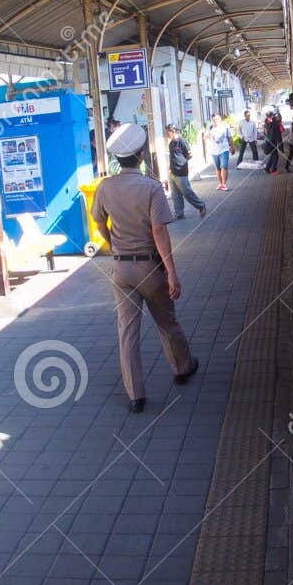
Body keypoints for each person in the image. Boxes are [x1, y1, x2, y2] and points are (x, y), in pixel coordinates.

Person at [91, 123, 199, 414]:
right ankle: (183, 367)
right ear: (141, 156)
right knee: (166, 322)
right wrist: (172, 272)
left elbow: (99, 222)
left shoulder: (104, 187)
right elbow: (159, 231)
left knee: (127, 331)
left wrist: (113, 243)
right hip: (150, 267)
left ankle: (135, 395)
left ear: (118, 158)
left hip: (121, 269)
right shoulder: (151, 188)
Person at [164, 124, 206, 219]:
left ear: (173, 131)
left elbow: (189, 155)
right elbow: (172, 157)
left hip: (181, 172)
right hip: (172, 172)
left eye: (168, 132)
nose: (167, 134)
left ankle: (201, 205)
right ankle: (179, 213)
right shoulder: (171, 143)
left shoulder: (182, 141)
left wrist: (182, 162)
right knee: (175, 195)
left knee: (187, 192)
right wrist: (170, 168)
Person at [207, 113, 232, 191]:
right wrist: (209, 135)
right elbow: (205, 137)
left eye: (217, 119)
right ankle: (220, 184)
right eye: (214, 119)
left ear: (220, 119)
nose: (215, 121)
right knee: (218, 168)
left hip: (224, 149)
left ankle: (224, 184)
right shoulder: (210, 127)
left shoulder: (225, 127)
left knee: (224, 166)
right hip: (214, 151)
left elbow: (230, 137)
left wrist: (232, 147)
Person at [263, 107, 286, 174]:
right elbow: (279, 137)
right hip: (272, 142)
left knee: (273, 155)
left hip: (270, 141)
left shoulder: (268, 122)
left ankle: (267, 168)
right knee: (275, 156)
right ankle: (273, 170)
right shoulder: (274, 124)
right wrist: (281, 148)